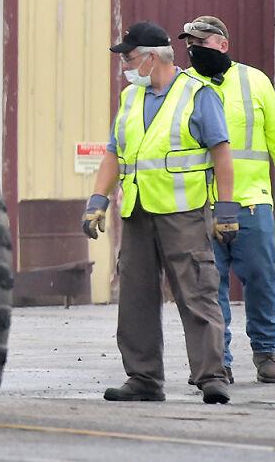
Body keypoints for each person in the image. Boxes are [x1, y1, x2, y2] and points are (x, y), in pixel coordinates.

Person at [82, 21, 236, 405]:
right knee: (135, 297)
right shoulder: (131, 99)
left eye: (130, 58)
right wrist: (98, 200)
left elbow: (221, 152)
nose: (126, 66)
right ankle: (144, 378)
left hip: (182, 213)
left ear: (152, 57)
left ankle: (211, 376)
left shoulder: (197, 95)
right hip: (136, 213)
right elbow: (115, 153)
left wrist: (227, 208)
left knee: (196, 292)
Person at [179, 15, 275, 384]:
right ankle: (217, 360)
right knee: (209, 286)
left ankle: (266, 352)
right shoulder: (182, 85)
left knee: (262, 279)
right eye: (188, 44)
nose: (192, 51)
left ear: (222, 44)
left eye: (200, 43)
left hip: (252, 202)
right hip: (200, 204)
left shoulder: (255, 82)